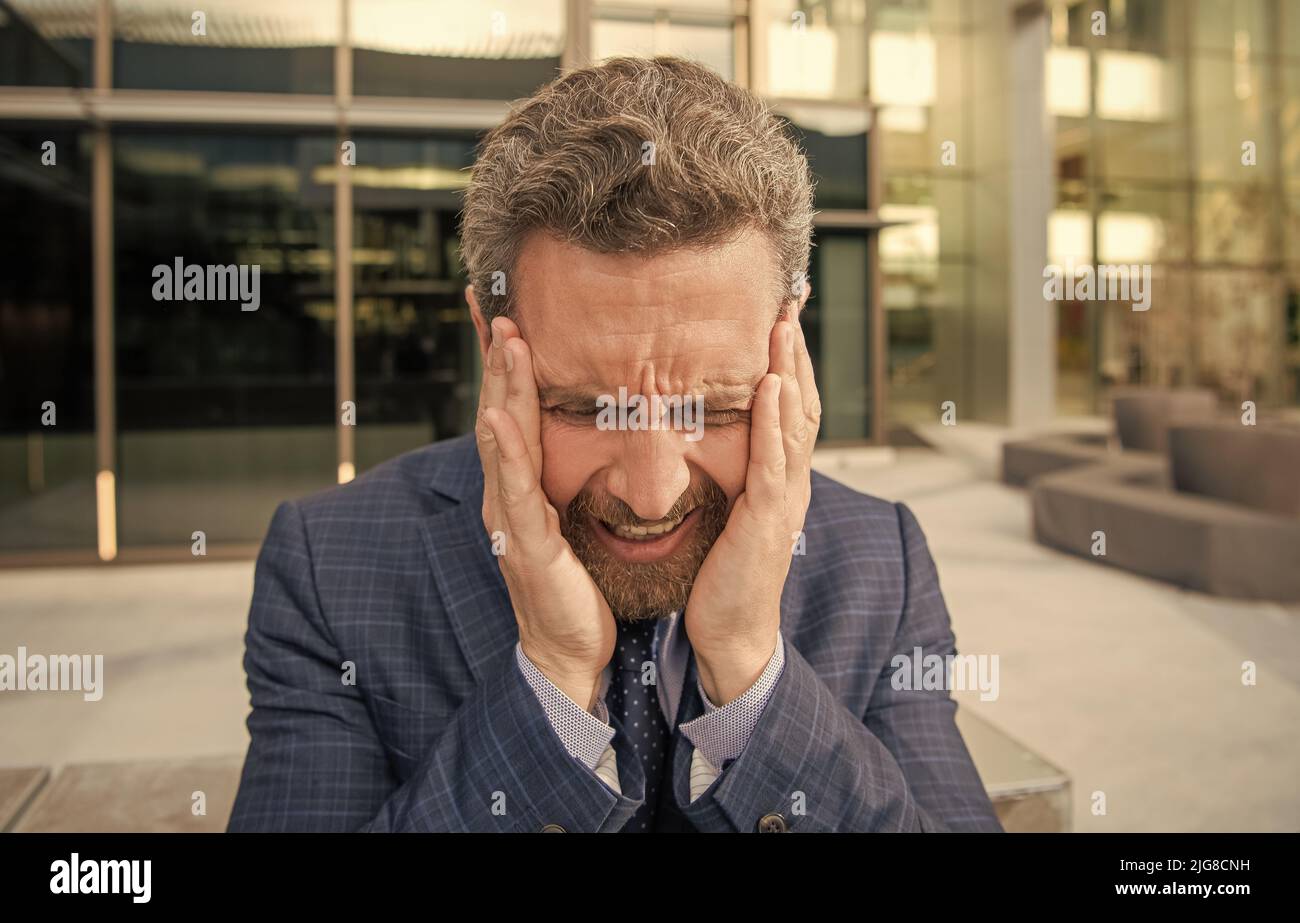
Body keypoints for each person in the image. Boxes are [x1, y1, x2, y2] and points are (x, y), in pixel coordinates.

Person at [228, 55, 1002, 833]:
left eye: (711, 407)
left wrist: (749, 671)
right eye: (590, 407)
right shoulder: (330, 566)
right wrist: (552, 680)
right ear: (489, 342)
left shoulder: (881, 562)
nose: (652, 491)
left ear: (786, 347)